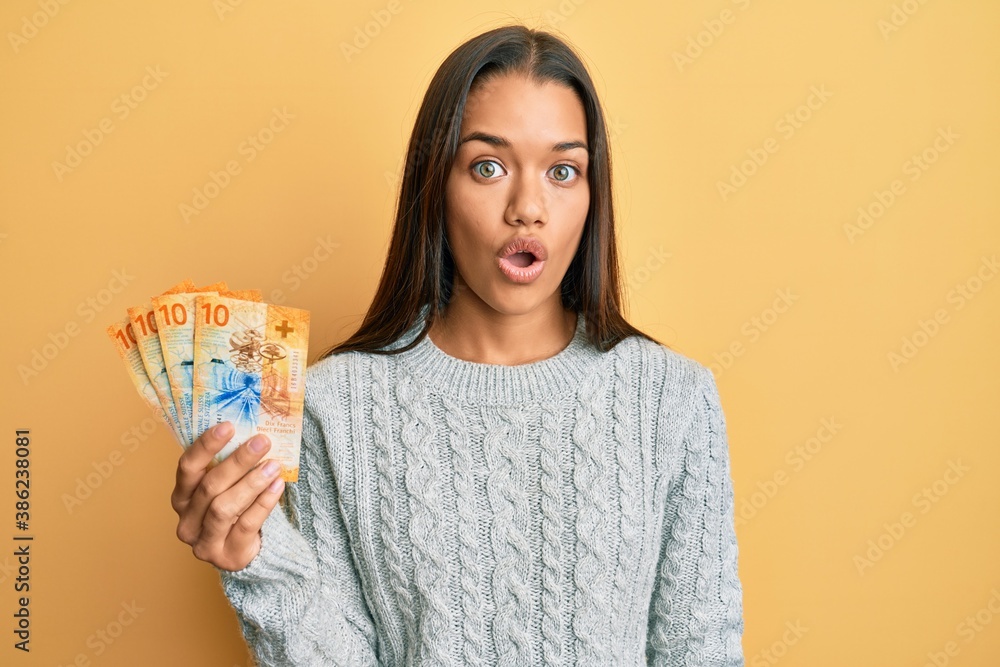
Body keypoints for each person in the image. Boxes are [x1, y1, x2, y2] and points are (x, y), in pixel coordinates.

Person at [171, 24, 745, 666]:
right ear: (435, 187)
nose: (528, 207)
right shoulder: (337, 409)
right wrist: (255, 562)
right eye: (488, 166)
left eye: (563, 170)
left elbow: (702, 651)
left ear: (593, 194)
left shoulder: (672, 398)